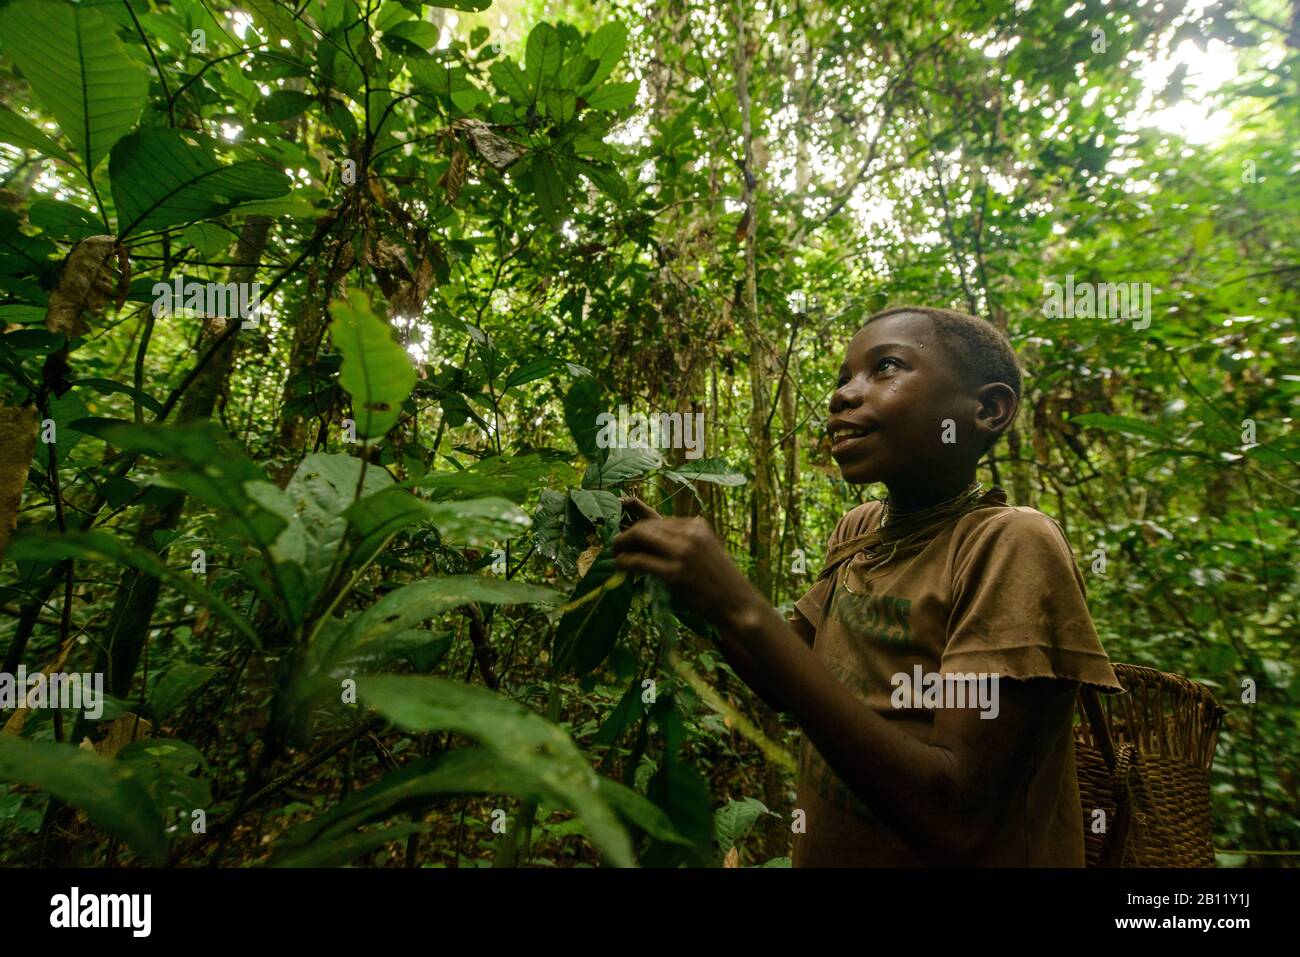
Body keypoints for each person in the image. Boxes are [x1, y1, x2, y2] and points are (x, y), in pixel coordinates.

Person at [613, 305, 1123, 866]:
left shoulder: (1009, 544)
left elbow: (954, 819)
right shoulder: (860, 530)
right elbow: (787, 679)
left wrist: (737, 601)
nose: (843, 396)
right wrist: (694, 592)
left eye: (885, 368)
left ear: (988, 409)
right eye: (842, 380)